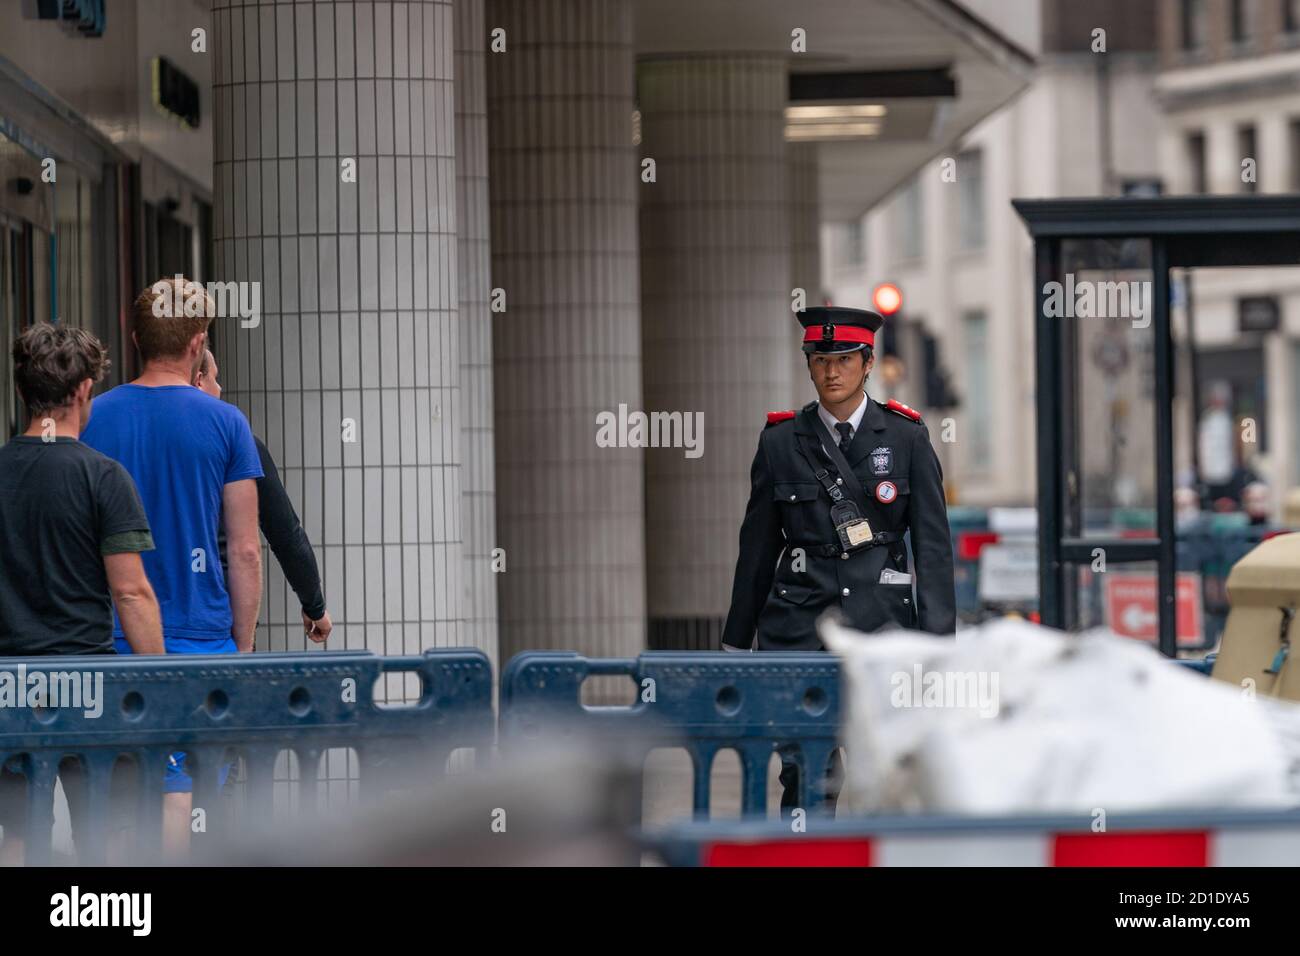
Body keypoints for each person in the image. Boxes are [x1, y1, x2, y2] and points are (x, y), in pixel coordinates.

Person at [721, 305, 955, 811]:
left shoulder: (906, 437)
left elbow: (933, 550)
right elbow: (758, 549)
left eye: (845, 359)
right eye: (820, 359)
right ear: (808, 364)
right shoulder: (780, 442)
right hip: (798, 631)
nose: (831, 371)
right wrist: (737, 643)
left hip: (882, 630)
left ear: (867, 363)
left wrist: (938, 648)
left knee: (888, 776)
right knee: (807, 777)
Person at [80, 277, 264, 858]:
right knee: (189, 799)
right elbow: (245, 549)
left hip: (111, 643)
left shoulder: (94, 419)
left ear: (134, 337)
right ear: (198, 343)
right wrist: (242, 644)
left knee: (119, 801)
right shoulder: (226, 423)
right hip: (203, 640)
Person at [0, 323, 164, 864]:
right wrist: (160, 680)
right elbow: (132, 593)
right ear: (84, 390)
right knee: (104, 831)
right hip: (88, 685)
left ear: (23, 391)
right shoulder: (103, 477)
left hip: (11, 690)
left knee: (21, 833)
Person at [194, 348, 332, 643]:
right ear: (198, 381)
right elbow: (284, 532)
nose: (220, 389)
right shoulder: (235, 438)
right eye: (215, 379)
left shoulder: (123, 423)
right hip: (220, 622)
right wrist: (314, 604)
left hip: (144, 626)